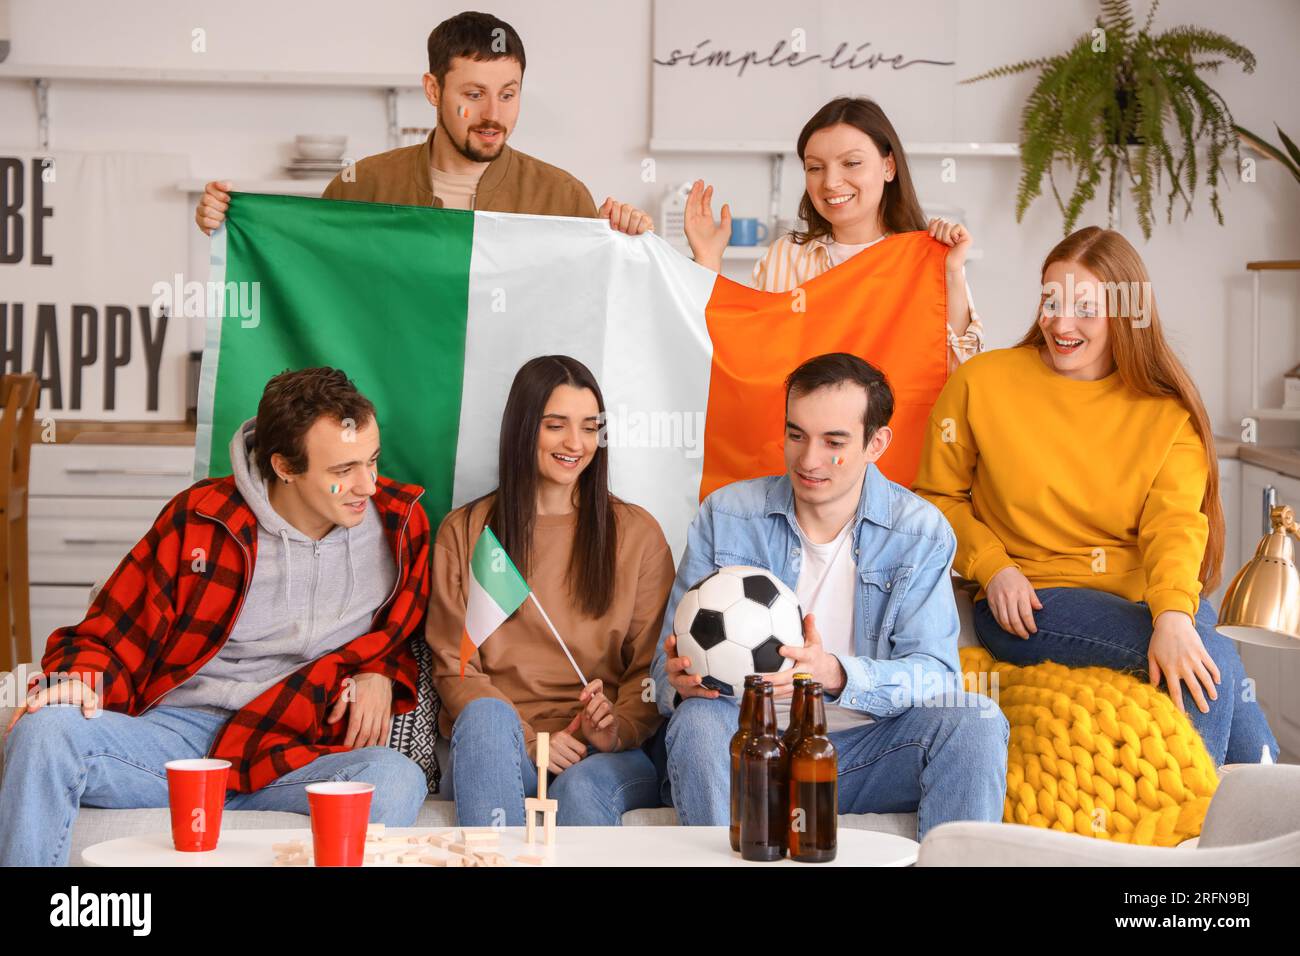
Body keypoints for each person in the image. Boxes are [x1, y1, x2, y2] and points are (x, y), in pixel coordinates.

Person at [0, 368, 432, 866]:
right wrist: (80, 679)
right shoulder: (203, 517)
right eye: (342, 472)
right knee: (45, 731)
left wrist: (379, 669)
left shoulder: (401, 526)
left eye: (371, 461)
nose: (368, 485)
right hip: (176, 742)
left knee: (395, 778)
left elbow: (403, 634)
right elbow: (113, 626)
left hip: (286, 749)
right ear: (285, 467)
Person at [913, 226, 1279, 766]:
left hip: (1140, 597)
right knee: (1215, 661)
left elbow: (1174, 526)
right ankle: (1193, 834)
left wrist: (1174, 616)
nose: (1062, 323)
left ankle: (1252, 833)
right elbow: (936, 496)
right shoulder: (983, 382)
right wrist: (994, 567)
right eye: (1052, 301)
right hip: (1033, 602)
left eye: (1086, 308)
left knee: (1212, 662)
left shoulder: (1166, 412)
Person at [651, 353, 1008, 840]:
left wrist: (836, 674)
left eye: (833, 442)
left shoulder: (920, 532)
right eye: (796, 435)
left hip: (867, 754)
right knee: (696, 721)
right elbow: (661, 674)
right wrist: (679, 684)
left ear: (876, 443)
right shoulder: (727, 515)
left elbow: (935, 674)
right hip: (751, 749)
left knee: (977, 718)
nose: (808, 459)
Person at [426, 355, 674, 826]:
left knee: (580, 791)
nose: (574, 444)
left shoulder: (637, 534)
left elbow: (650, 669)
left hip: (605, 757)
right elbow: (455, 668)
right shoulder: (466, 531)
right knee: (483, 721)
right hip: (501, 747)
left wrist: (613, 729)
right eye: (555, 426)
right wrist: (530, 741)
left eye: (588, 428)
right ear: (522, 430)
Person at [194, 11, 653, 234]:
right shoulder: (362, 186)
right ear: (433, 90)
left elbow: (599, 310)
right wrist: (233, 226)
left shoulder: (561, 197)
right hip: (387, 415)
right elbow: (307, 276)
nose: (494, 114)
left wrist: (628, 241)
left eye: (508, 95)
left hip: (510, 418)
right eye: (474, 95)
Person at [682, 97, 983, 370]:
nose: (831, 182)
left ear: (888, 166)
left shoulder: (928, 262)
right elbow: (740, 355)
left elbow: (959, 370)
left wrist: (951, 272)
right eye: (815, 168)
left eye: (851, 163)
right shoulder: (784, 257)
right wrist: (707, 259)